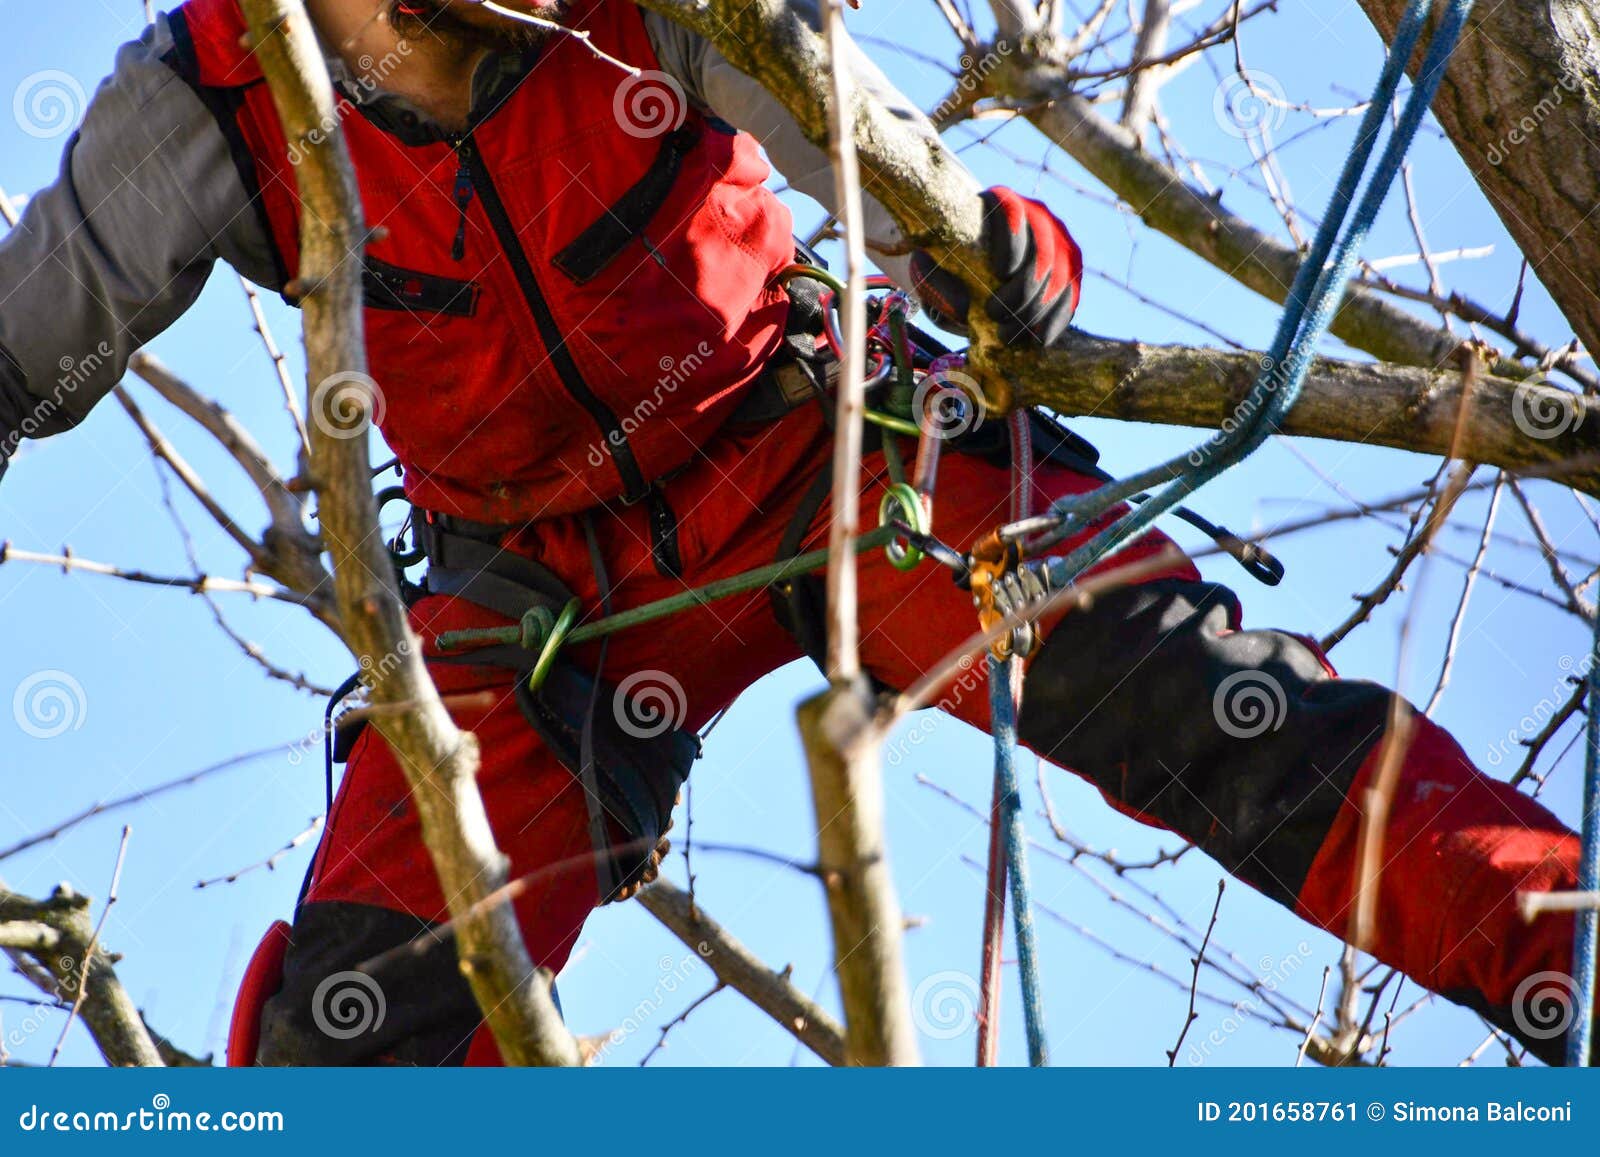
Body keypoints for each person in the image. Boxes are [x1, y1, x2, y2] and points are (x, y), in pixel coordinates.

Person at [0, 0, 1583, 1065]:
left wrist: (985, 255)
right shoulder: (207, 94)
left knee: (1192, 704)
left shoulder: (655, 10)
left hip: (826, 447)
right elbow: (24, 344)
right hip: (539, 592)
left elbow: (869, 151)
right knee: (365, 1024)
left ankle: (1556, 945)